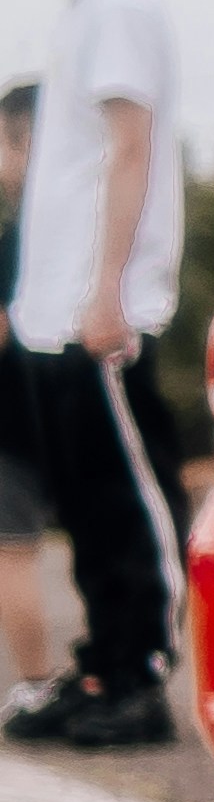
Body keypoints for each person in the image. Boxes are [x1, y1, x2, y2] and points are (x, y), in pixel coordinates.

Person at [7, 0, 183, 747]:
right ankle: (103, 665)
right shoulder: (80, 13)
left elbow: (131, 148)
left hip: (97, 305)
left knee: (122, 501)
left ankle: (143, 671)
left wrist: (109, 288)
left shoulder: (120, 6)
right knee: (80, 501)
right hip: (54, 307)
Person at [0, 87, 56, 695]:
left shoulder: (21, 239)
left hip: (13, 423)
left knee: (11, 554)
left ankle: (38, 682)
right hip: (60, 416)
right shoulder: (73, 233)